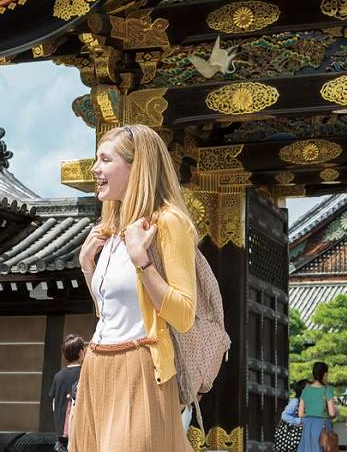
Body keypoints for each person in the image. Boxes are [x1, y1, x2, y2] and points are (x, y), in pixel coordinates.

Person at [69, 124, 199, 452]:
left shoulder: (168, 223)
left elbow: (183, 315)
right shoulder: (110, 229)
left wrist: (142, 259)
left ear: (135, 166)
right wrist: (88, 265)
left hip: (140, 365)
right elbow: (110, 311)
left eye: (105, 159)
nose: (95, 169)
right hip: (97, 364)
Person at [49, 334, 87, 451]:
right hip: (79, 434)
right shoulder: (85, 373)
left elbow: (54, 405)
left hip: (61, 436)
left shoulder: (58, 376)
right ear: (81, 352)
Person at [296, 362, 337, 452]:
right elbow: (332, 413)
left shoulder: (306, 390)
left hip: (307, 426)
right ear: (325, 374)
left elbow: (300, 413)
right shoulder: (327, 390)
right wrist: (335, 412)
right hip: (321, 425)